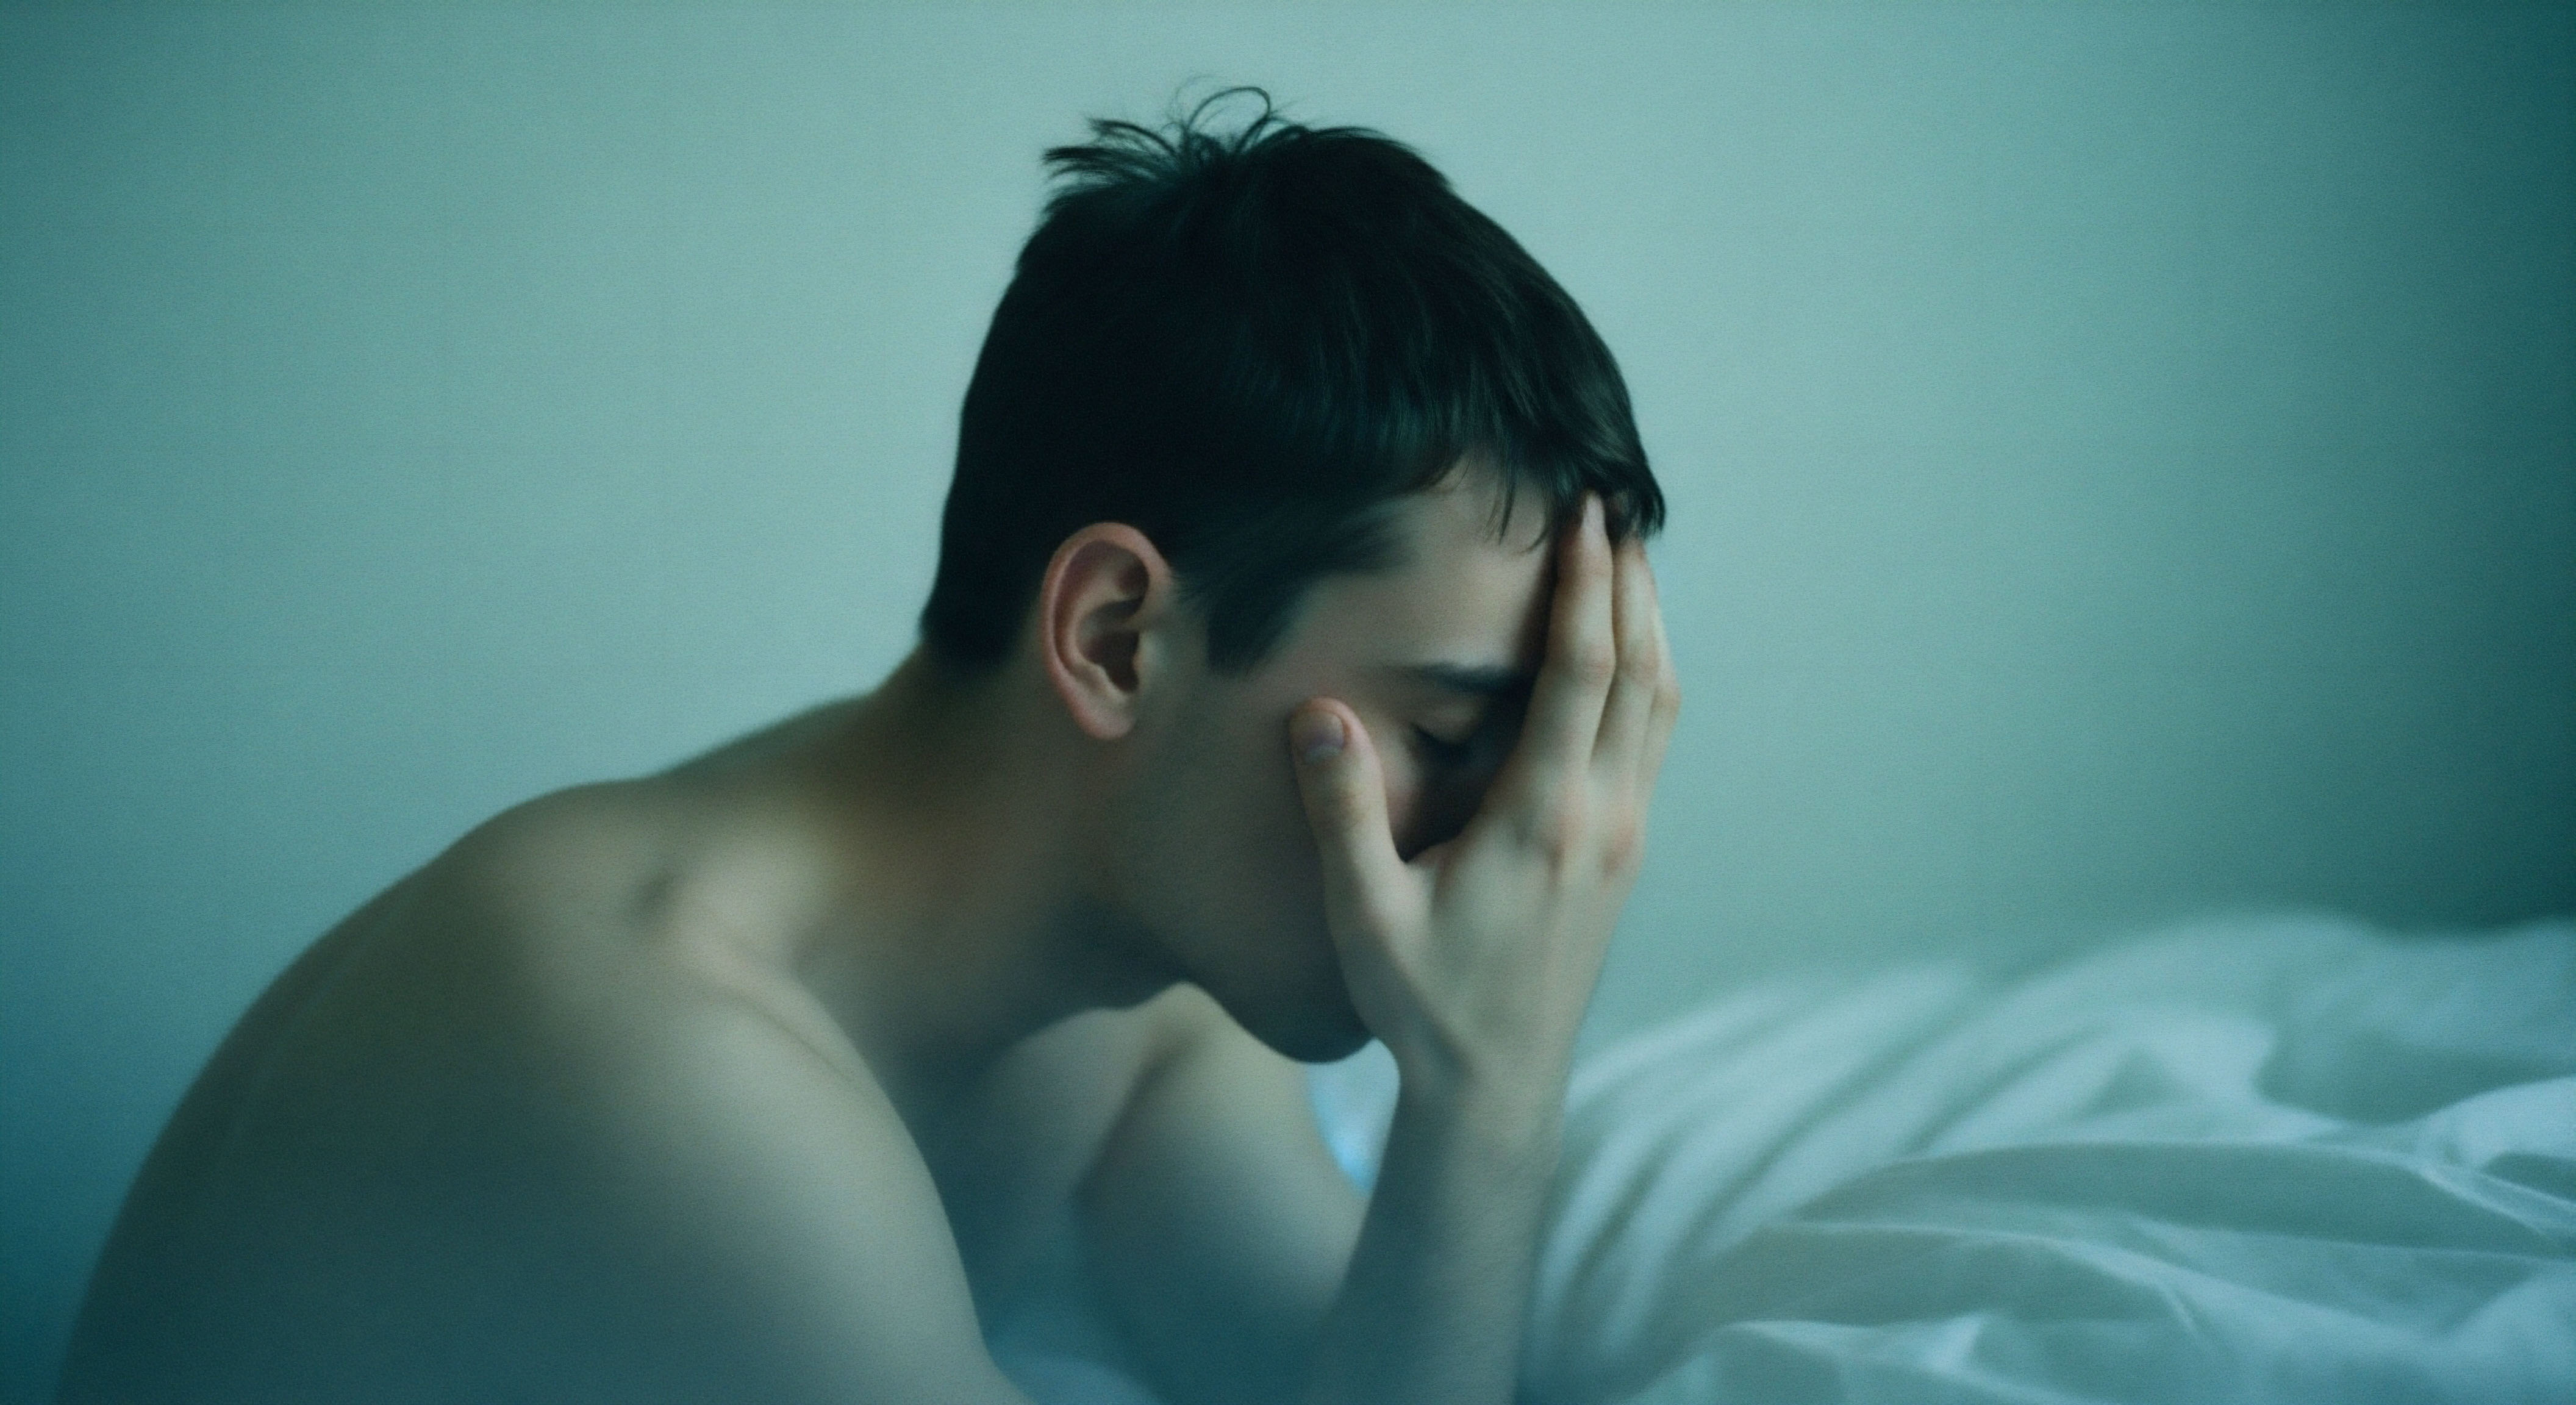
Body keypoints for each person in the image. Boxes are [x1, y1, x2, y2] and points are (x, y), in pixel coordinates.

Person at [59, 92, 1674, 1405]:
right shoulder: (653, 1064)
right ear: (1118, 639)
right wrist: (1484, 1091)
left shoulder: (1143, 994)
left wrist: (1480, 1107)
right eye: (1456, 733)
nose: (1512, 840)